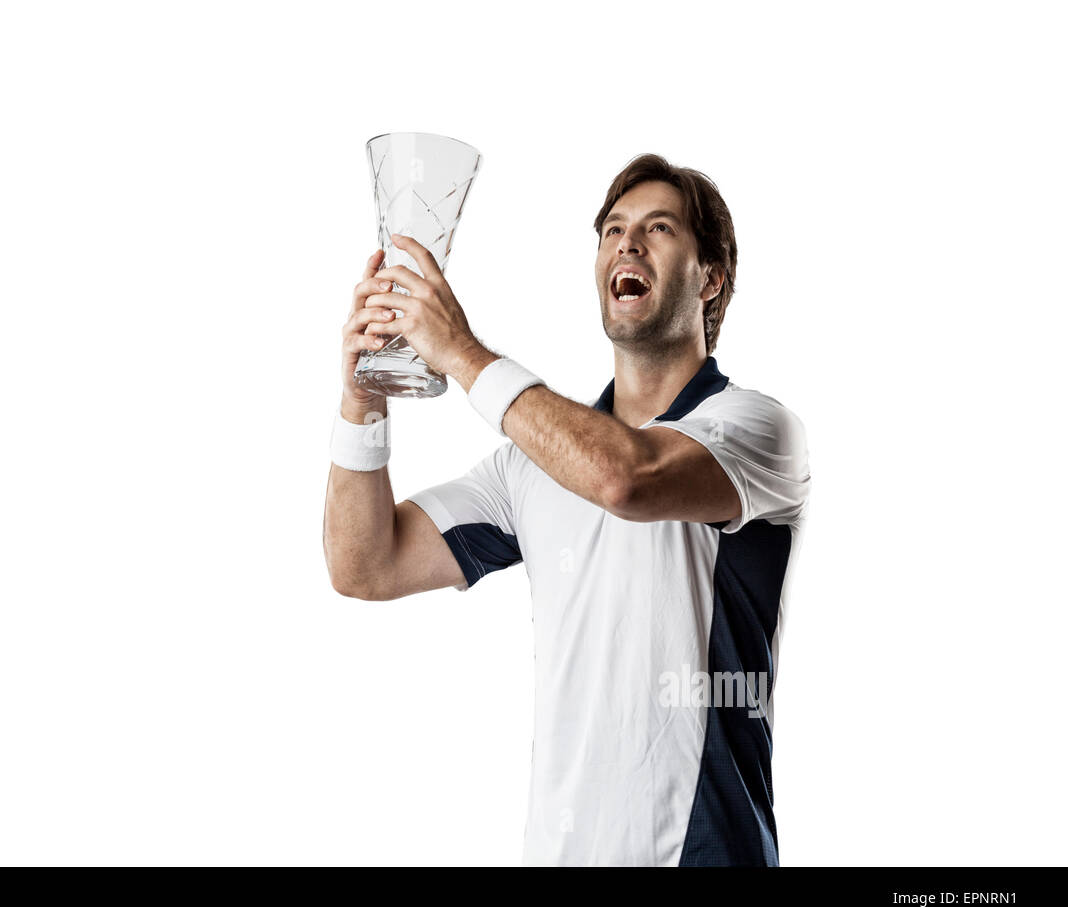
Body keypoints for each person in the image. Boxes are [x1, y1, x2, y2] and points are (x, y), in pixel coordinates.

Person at [323, 153, 810, 866]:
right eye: (612, 230)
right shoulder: (535, 461)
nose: (627, 244)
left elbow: (626, 479)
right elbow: (365, 563)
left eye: (659, 228)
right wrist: (360, 399)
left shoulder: (756, 429)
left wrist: (458, 351)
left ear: (711, 278)